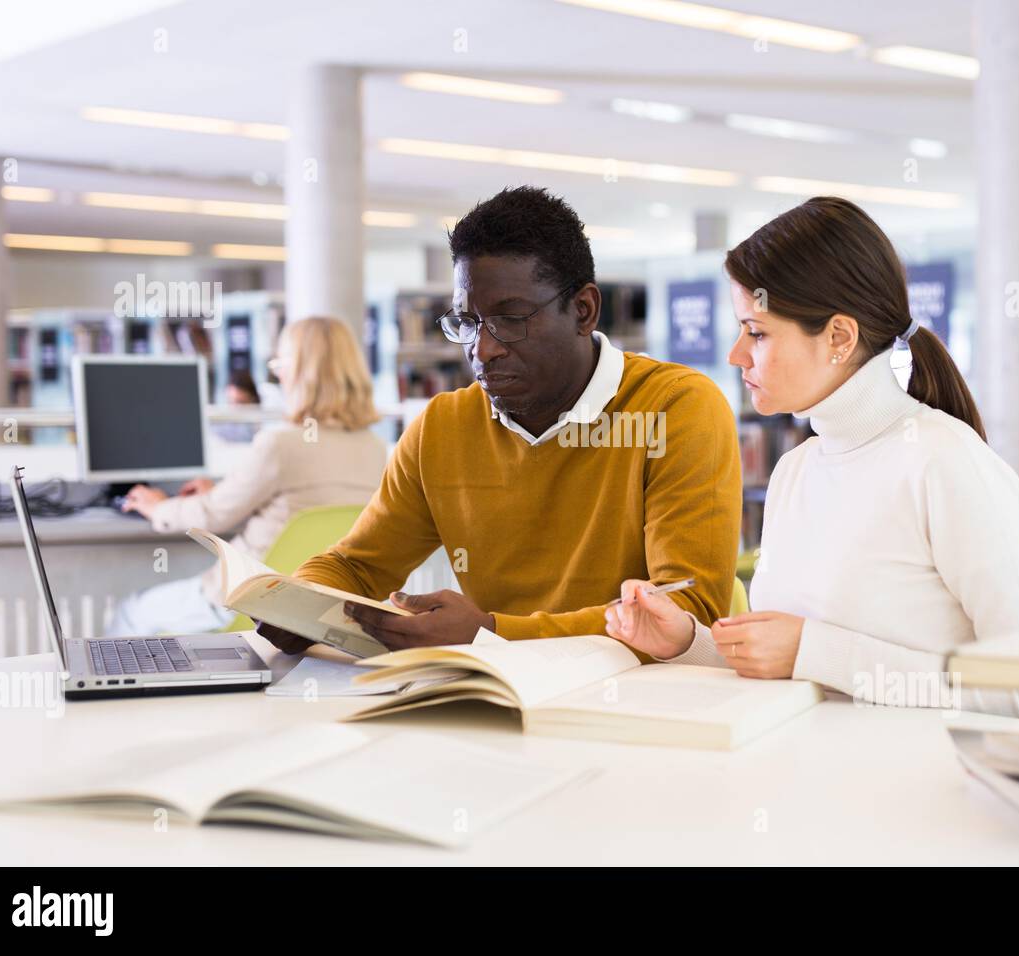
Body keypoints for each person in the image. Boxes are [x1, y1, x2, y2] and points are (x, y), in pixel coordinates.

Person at [604, 197, 1019, 718]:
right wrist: (684, 642)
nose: (735, 354)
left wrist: (817, 651)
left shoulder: (946, 462)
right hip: (801, 776)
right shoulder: (795, 470)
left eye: (756, 332)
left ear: (839, 336)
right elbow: (784, 666)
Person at [259, 186, 741, 654]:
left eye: (511, 319)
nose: (482, 349)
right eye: (467, 323)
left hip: (634, 706)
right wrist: (301, 604)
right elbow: (356, 567)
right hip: (491, 697)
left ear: (584, 310)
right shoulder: (443, 427)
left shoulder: (675, 407)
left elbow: (686, 609)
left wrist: (492, 634)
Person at [108, 316, 387, 636]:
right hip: (318, 611)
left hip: (245, 602)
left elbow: (213, 514)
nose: (278, 374)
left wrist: (158, 507)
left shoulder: (281, 443)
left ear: (297, 373)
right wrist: (222, 490)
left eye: (280, 364)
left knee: (130, 612)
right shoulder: (375, 448)